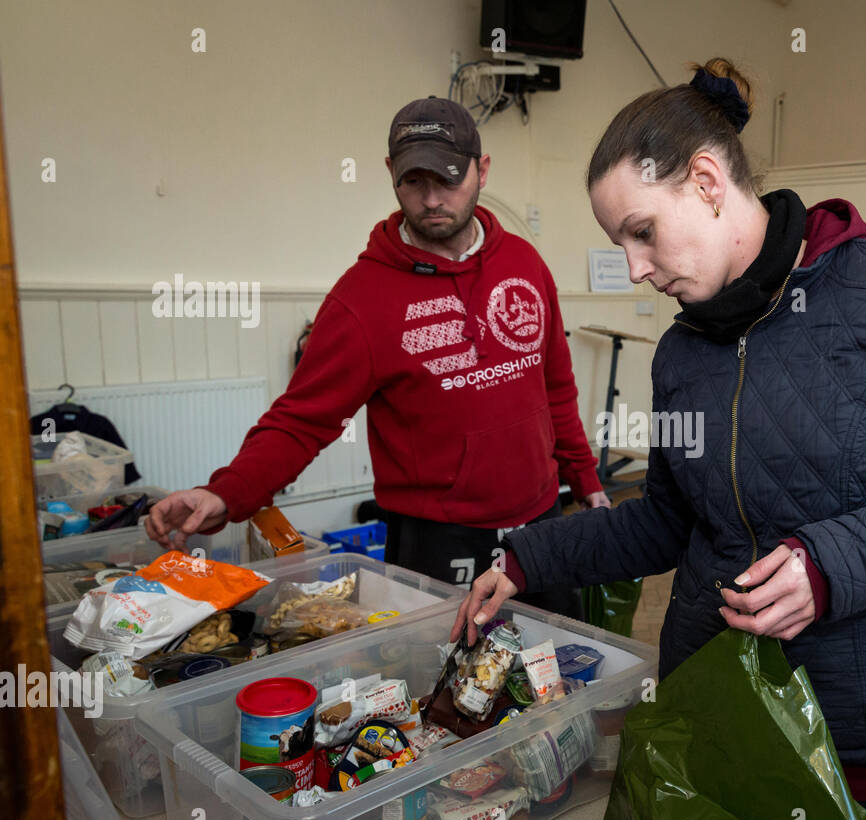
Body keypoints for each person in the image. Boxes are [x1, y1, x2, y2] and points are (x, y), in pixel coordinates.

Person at [453, 58, 866, 820]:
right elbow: (673, 519)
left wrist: (830, 564)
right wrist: (528, 558)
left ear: (707, 181)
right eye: (620, 244)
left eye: (641, 232)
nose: (635, 267)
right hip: (725, 714)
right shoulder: (679, 355)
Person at [144, 96, 610, 616]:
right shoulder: (360, 300)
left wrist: (587, 482)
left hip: (542, 523)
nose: (432, 199)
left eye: (449, 179)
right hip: (438, 541)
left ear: (482, 170)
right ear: (391, 173)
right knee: (444, 692)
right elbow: (300, 422)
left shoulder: (525, 263)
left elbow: (556, 388)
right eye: (414, 182)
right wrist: (226, 494)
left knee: (557, 675)